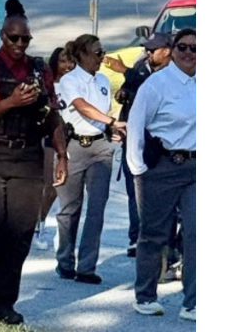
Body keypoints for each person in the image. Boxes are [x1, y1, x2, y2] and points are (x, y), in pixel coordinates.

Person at [0, 0, 68, 326]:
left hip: (27, 156)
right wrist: (10, 102)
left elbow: (53, 115)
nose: (19, 45)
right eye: (13, 39)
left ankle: (4, 301)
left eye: (25, 40)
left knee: (20, 232)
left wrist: (61, 154)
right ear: (3, 37)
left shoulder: (39, 70)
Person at [127, 29, 196, 322]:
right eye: (183, 47)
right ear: (172, 50)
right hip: (162, 166)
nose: (189, 54)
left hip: (197, 167)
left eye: (195, 48)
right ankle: (146, 295)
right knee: (154, 234)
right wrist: (137, 168)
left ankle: (193, 301)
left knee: (197, 233)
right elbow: (135, 124)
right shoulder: (156, 84)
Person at [54, 34, 124, 285]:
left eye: (102, 52)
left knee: (96, 209)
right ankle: (65, 260)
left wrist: (111, 127)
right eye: (97, 52)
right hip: (73, 146)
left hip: (100, 147)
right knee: (70, 209)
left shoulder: (103, 80)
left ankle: (86, 266)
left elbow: (102, 112)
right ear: (82, 54)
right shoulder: (69, 80)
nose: (101, 57)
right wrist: (111, 121)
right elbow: (81, 106)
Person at [103, 33, 172, 257]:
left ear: (167, 51)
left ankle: (167, 244)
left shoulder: (175, 72)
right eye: (147, 49)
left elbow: (158, 90)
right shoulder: (141, 68)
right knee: (135, 189)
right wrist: (124, 93)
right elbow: (131, 90)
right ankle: (137, 237)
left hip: (162, 143)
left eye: (152, 50)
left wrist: (126, 71)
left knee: (162, 194)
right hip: (134, 137)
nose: (148, 53)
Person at [34, 47, 77, 250]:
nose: (67, 66)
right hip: (51, 138)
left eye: (71, 62)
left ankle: (63, 233)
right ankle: (39, 225)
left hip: (74, 138)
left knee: (69, 191)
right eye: (63, 61)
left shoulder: (78, 84)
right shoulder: (50, 85)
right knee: (50, 186)